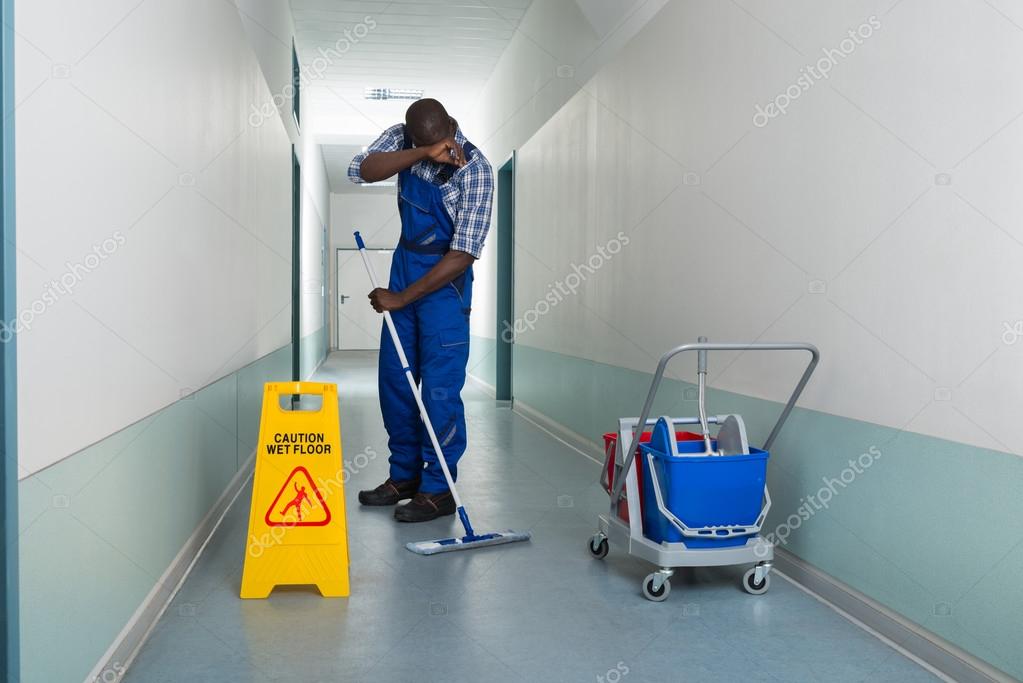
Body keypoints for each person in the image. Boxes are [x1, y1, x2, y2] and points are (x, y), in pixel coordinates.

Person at [348, 99, 493, 522]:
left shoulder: (476, 171)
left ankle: (438, 488)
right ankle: (404, 477)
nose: (434, 146)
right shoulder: (402, 138)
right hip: (405, 264)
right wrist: (422, 152)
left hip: (444, 283)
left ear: (452, 123)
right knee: (395, 383)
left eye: (437, 139)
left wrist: (401, 298)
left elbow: (464, 252)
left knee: (439, 390)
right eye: (420, 141)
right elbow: (361, 170)